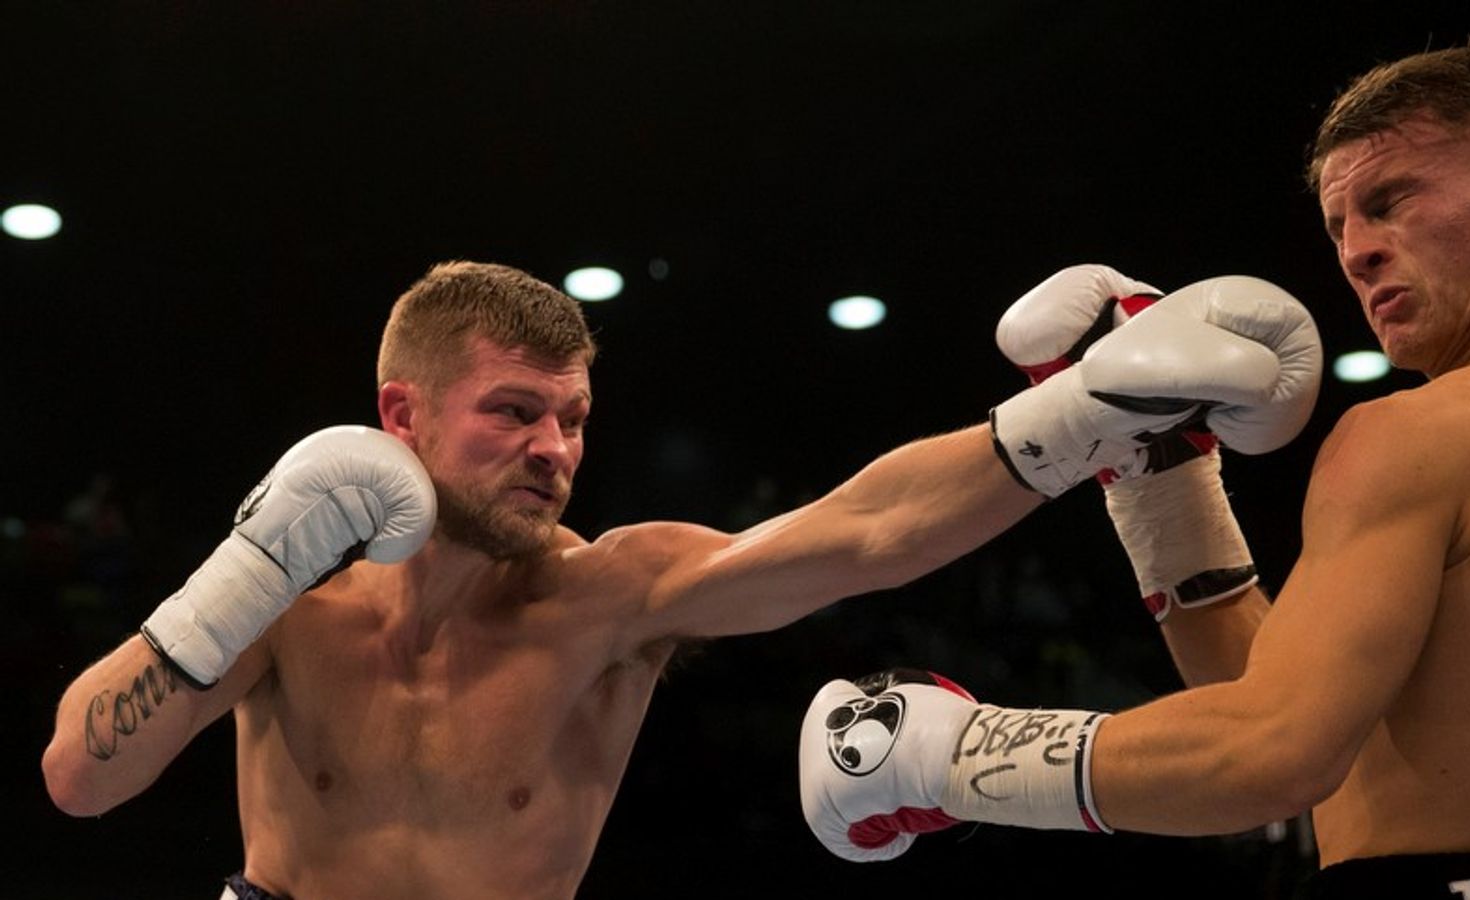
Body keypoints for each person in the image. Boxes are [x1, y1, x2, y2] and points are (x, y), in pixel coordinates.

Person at [40, 259, 1315, 898]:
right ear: (400, 415)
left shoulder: (610, 598)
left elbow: (860, 533)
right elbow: (82, 778)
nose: (553, 450)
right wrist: (249, 568)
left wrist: (1074, 419)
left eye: (574, 418)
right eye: (513, 413)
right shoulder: (289, 604)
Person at [799, 41, 1470, 899]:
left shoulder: (1423, 434)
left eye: (1393, 201)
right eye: (1339, 227)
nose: (1358, 252)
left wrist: (944, 754)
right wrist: (1162, 477)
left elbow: (1269, 756)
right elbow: (1319, 725)